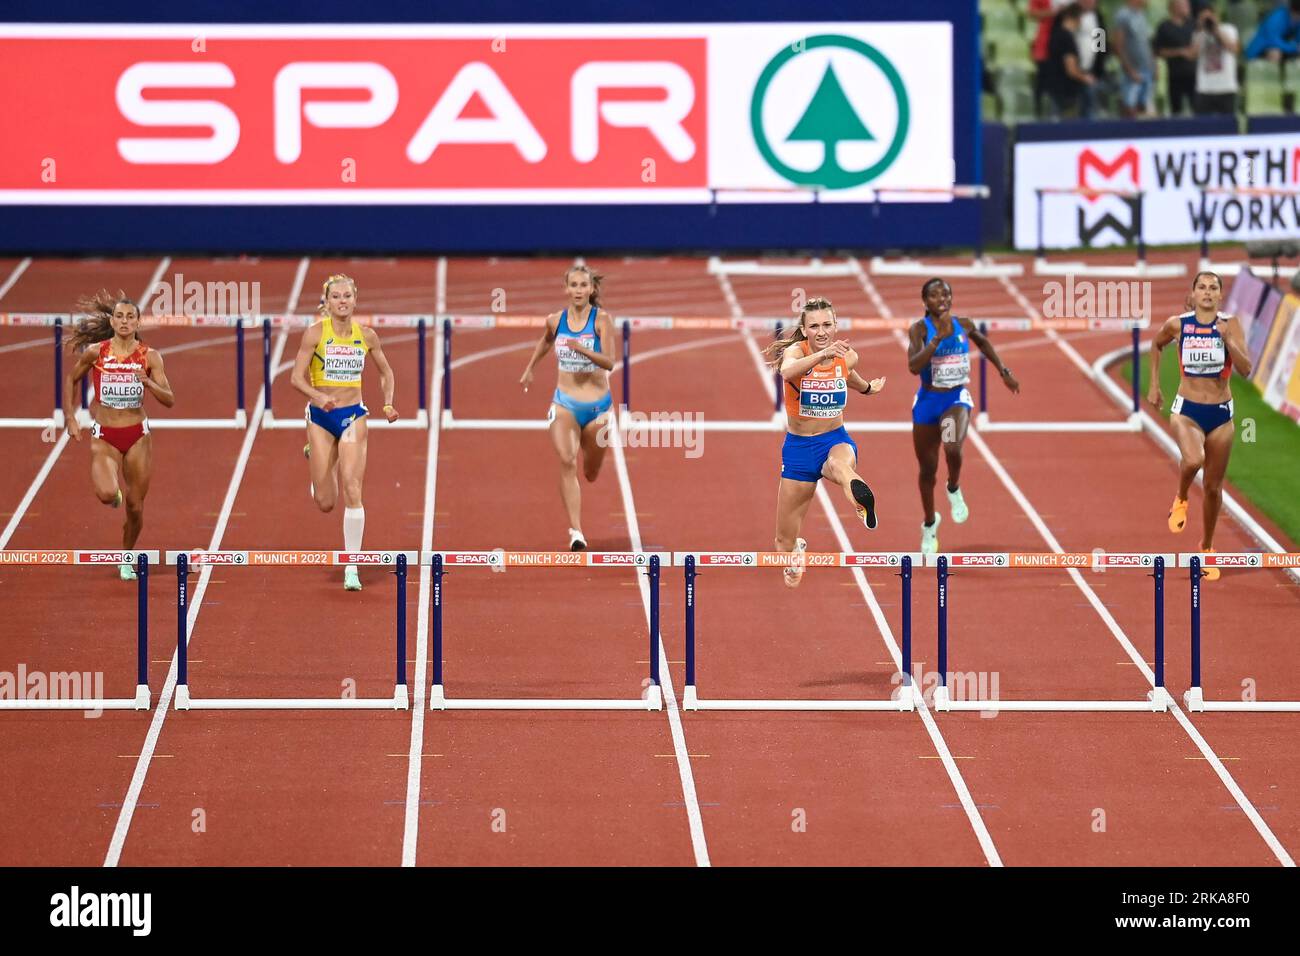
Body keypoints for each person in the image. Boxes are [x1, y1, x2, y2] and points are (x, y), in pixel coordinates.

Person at [764, 297, 885, 588]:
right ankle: (795, 552)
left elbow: (848, 374)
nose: (821, 332)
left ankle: (862, 502)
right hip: (799, 450)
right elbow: (787, 372)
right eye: (814, 326)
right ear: (804, 330)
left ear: (836, 326)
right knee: (782, 543)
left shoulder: (847, 355)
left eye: (827, 325)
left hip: (834, 439)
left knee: (839, 466)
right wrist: (823, 355)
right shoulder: (796, 352)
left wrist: (867, 388)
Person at [289, 274, 399, 591]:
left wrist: (388, 403)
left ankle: (352, 565)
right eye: (336, 296)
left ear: (355, 300)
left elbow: (386, 372)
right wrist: (318, 396)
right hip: (321, 418)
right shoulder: (315, 333)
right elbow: (296, 378)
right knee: (325, 502)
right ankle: (321, 460)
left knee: (353, 489)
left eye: (347, 296)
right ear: (326, 302)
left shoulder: (367, 335)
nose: (342, 301)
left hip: (353, 416)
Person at [63, 291, 175, 581]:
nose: (125, 321)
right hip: (105, 436)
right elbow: (71, 379)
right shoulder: (96, 352)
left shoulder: (150, 356)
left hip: (137, 436)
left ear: (137, 322)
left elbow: (169, 399)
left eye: (130, 317)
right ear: (112, 322)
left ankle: (126, 557)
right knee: (105, 494)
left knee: (135, 507)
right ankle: (115, 495)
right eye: (120, 316)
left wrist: (148, 382)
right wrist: (70, 418)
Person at [1148, 272, 1251, 582]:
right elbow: (1156, 344)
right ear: (1192, 294)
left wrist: (1228, 340)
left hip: (1221, 414)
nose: (1207, 292)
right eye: (1202, 287)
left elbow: (1246, 369)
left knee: (1213, 488)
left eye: (1213, 288)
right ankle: (1181, 498)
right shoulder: (1177, 324)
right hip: (1187, 411)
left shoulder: (1231, 324)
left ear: (1220, 295)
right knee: (1194, 460)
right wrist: (1154, 385)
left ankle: (1206, 548)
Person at [908, 279, 1020, 555]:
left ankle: (953, 487)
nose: (942, 299)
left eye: (946, 294)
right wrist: (936, 340)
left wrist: (1004, 372)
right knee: (927, 470)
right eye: (935, 295)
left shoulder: (964, 324)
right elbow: (913, 366)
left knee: (952, 448)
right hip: (927, 402)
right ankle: (930, 524)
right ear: (925, 302)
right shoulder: (920, 329)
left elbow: (984, 343)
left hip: (954, 400)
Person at [518, 264, 617, 551]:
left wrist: (583, 349)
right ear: (566, 289)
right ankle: (576, 531)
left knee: (591, 473)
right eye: (573, 285)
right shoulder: (555, 320)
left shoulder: (602, 320)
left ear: (591, 289)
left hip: (598, 407)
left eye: (583, 285)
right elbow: (545, 341)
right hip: (565, 403)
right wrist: (530, 368)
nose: (578, 290)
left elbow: (609, 362)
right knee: (566, 459)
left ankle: (592, 461)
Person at [1043, 3, 1097, 118]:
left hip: (1056, 87)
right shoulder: (1066, 37)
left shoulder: (1056, 34)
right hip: (1067, 90)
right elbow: (1071, 69)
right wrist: (1085, 78)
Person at [1192, 4, 1242, 113]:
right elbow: (1193, 55)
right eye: (1203, 18)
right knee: (1202, 122)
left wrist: (1216, 29)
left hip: (1226, 87)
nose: (1207, 21)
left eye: (1209, 17)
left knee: (1227, 122)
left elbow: (1234, 49)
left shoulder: (1229, 29)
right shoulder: (1198, 33)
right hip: (1204, 88)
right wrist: (1201, 30)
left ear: (1216, 16)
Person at [1113, 0, 1157, 117]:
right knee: (1130, 107)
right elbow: (1118, 45)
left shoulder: (1142, 15)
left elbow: (1146, 43)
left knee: (1144, 107)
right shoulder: (1123, 15)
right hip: (1133, 70)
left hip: (1147, 69)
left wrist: (1154, 65)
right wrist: (1129, 70)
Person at [1155, 0, 1199, 114]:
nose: (1187, 7)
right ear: (1174, 7)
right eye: (1184, 5)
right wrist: (1180, 52)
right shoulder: (1164, 27)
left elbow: (1200, 44)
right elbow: (1159, 51)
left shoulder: (1193, 25)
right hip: (1175, 76)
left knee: (1196, 109)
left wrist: (1194, 52)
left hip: (1194, 75)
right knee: (1176, 110)